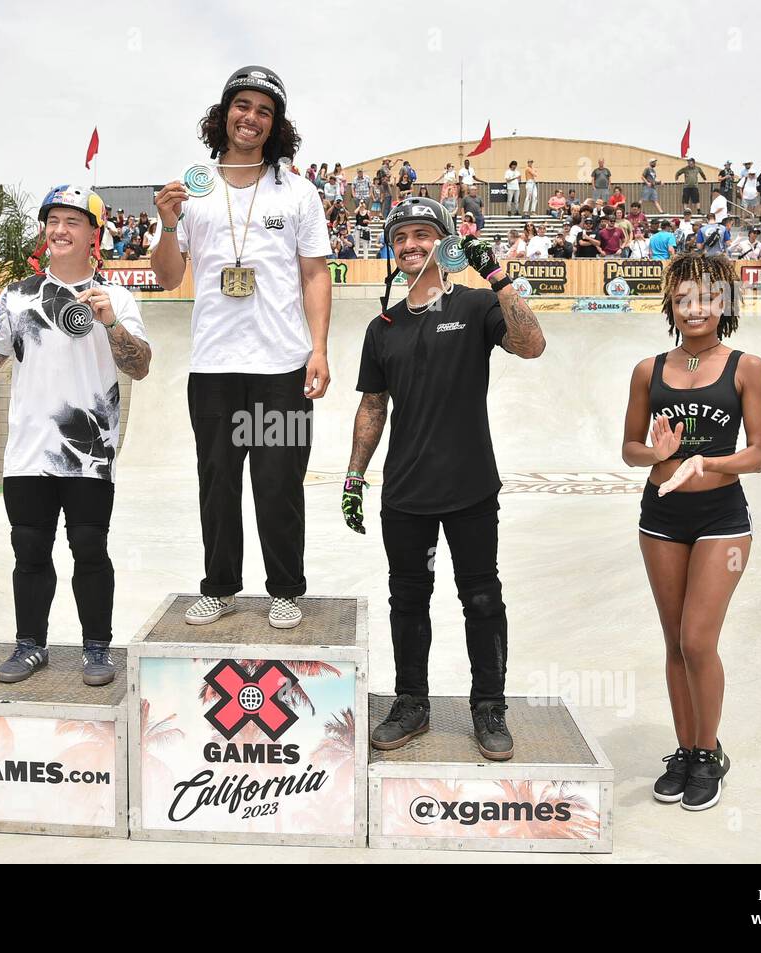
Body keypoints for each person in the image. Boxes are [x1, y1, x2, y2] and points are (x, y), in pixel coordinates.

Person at [344, 196, 546, 760]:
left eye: (422, 234)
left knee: (481, 598)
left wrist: (498, 273)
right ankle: (412, 701)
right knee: (407, 599)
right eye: (401, 236)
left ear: (443, 241)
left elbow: (532, 345)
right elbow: (372, 405)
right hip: (404, 491)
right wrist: (354, 477)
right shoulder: (382, 327)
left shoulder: (479, 304)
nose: (411, 245)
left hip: (471, 486)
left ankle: (489, 707)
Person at [151, 65, 331, 630]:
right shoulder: (194, 187)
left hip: (281, 367)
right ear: (224, 113)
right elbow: (168, 278)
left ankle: (285, 589)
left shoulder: (297, 190)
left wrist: (318, 349)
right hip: (215, 368)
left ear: (276, 124)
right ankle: (220, 587)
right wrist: (164, 224)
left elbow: (314, 274)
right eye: (242, 106)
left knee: (279, 484)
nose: (250, 118)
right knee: (218, 484)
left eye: (263, 110)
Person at [0, 184, 151, 687]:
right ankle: (30, 644)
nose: (60, 230)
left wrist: (111, 325)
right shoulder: (17, 295)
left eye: (73, 221)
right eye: (53, 220)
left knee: (89, 548)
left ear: (93, 234)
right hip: (28, 453)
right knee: (30, 551)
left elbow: (141, 366)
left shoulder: (118, 296)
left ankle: (97, 649)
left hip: (89, 451)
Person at [620, 252, 761, 811]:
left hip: (721, 519)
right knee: (673, 642)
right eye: (682, 298)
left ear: (725, 303)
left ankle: (709, 753)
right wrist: (654, 453)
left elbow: (759, 454)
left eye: (706, 297)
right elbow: (630, 448)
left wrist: (706, 464)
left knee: (698, 640)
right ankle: (684, 750)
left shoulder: (747, 367)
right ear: (670, 305)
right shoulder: (648, 370)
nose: (694, 308)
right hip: (659, 518)